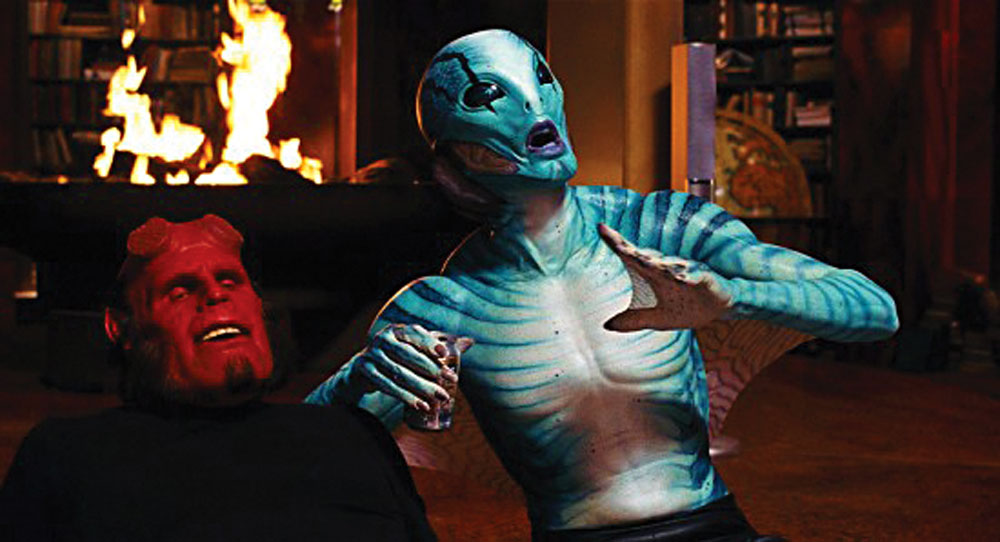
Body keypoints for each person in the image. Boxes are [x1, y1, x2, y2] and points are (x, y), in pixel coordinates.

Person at [305, 30, 899, 541]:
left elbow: (876, 310)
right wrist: (358, 379)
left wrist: (732, 298)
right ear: (455, 155)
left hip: (712, 525)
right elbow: (300, 457)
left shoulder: (664, 227)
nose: (533, 105)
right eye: (488, 96)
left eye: (541, 77)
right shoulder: (446, 305)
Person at [0, 214, 437, 542]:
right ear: (121, 329)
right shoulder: (67, 454)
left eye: (230, 281)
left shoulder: (353, 433)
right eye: (179, 290)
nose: (214, 294)